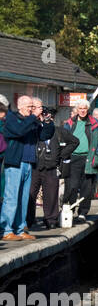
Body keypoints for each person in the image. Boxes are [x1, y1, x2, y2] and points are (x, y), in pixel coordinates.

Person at [2, 96, 42, 241]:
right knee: (11, 198)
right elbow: (19, 131)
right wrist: (32, 118)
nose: (31, 109)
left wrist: (47, 122)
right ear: (20, 106)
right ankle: (6, 229)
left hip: (28, 163)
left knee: (23, 198)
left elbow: (43, 135)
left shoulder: (30, 120)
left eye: (33, 106)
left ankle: (19, 229)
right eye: (29, 106)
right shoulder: (12, 118)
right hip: (15, 163)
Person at [62, 99, 98, 223]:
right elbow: (63, 139)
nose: (83, 110)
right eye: (80, 108)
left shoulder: (94, 124)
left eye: (85, 108)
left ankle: (83, 212)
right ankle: (70, 209)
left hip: (88, 158)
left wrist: (97, 155)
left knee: (86, 187)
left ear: (88, 109)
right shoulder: (69, 123)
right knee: (72, 186)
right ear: (77, 110)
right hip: (73, 158)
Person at [29, 104, 61, 231]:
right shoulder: (30, 122)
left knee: (51, 193)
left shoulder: (48, 124)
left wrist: (46, 120)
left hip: (49, 164)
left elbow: (46, 134)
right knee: (30, 193)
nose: (41, 111)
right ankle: (28, 219)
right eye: (37, 108)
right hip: (34, 163)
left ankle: (51, 219)